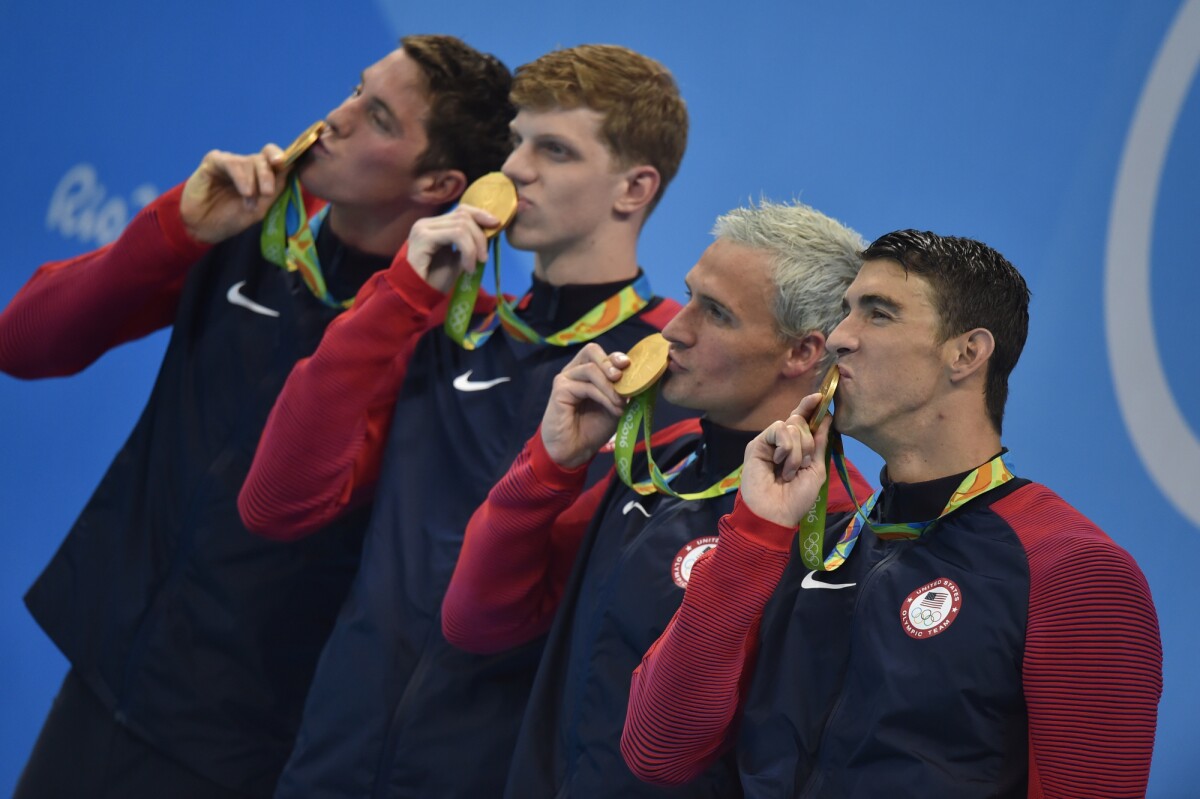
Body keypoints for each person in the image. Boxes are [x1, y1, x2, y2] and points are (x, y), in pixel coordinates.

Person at [0, 35, 513, 799]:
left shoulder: (451, 342)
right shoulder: (252, 231)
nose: (334, 119)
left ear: (439, 183)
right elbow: (24, 341)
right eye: (353, 89)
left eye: (376, 116)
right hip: (107, 671)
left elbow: (306, 501)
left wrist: (403, 300)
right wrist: (176, 225)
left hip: (242, 734)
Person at [237, 44, 690, 798]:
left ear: (633, 188)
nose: (514, 170)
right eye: (517, 141)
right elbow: (275, 501)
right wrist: (399, 294)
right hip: (329, 758)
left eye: (553, 150)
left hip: (486, 769)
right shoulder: (452, 327)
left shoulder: (661, 375)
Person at [620, 230, 1164, 798]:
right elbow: (657, 749)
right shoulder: (809, 542)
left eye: (877, 315)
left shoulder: (1074, 572)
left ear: (967, 353)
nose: (839, 338)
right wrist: (755, 531)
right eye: (846, 312)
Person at [441, 199, 875, 798]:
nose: (675, 329)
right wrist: (550, 465)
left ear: (802, 353)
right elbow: (475, 622)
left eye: (716, 314)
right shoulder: (656, 465)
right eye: (689, 295)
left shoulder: (836, 536)